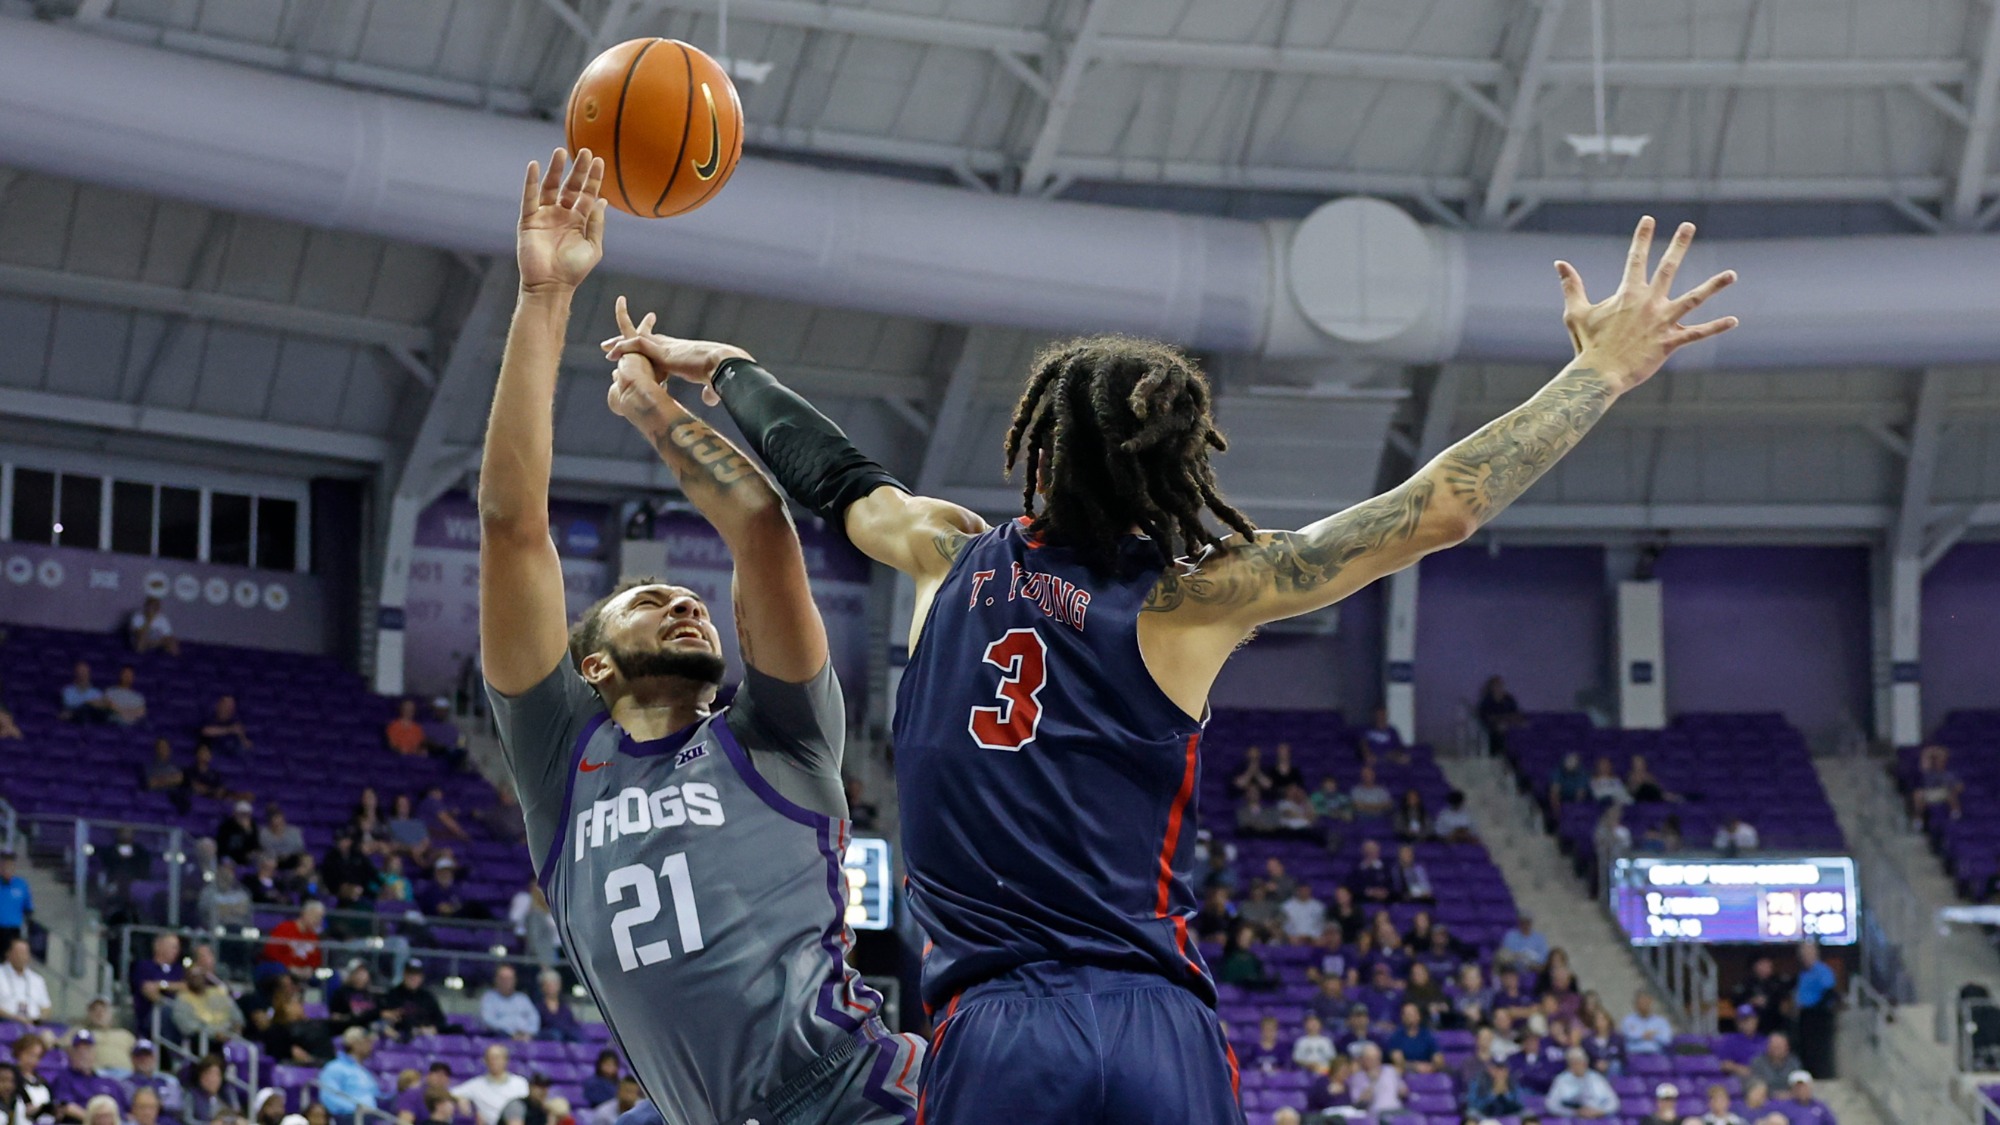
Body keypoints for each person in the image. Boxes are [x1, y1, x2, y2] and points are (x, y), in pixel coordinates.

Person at [615, 214, 1736, 1123]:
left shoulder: (945, 555)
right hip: (1159, 1026)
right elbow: (1436, 509)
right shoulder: (1194, 602)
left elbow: (839, 480)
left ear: (1034, 448)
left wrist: (730, 375)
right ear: (1172, 470)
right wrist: (1599, 371)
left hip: (999, 1030)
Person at [481, 150, 920, 1125]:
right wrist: (544, 297)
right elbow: (514, 527)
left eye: (687, 600)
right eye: (647, 599)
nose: (684, 602)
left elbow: (760, 529)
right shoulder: (562, 758)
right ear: (590, 665)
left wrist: (656, 411)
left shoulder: (779, 731)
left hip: (858, 1098)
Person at [50, 1033, 125, 1124]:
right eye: (78, 1050)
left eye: (87, 1049)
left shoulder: (108, 1082)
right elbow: (66, 1106)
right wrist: (95, 1120)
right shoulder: (64, 1078)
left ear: (94, 1053)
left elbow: (126, 1111)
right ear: (71, 1053)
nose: (83, 1054)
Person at [1793, 941, 1838, 1078]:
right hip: (1805, 1016)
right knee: (1805, 1048)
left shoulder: (1822, 971)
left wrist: (1814, 1007)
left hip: (1818, 1016)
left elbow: (1829, 993)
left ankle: (1821, 1075)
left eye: (1808, 953)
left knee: (1818, 1049)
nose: (1806, 956)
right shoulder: (1803, 974)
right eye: (1803, 954)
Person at [452, 1047, 528, 1125]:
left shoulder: (520, 1083)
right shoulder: (476, 1085)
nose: (493, 1062)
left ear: (505, 1060)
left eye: (497, 1058)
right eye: (490, 1058)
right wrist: (461, 1098)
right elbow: (450, 1093)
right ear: (485, 1061)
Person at [317, 1029, 379, 1119]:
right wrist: (357, 1109)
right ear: (354, 1044)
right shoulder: (335, 1068)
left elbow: (376, 1096)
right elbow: (329, 1097)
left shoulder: (364, 1071)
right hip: (348, 1118)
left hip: (370, 1116)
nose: (371, 1046)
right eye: (367, 1042)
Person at [129, 934, 182, 1038]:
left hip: (177, 1016)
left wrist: (160, 985)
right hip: (150, 1017)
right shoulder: (144, 966)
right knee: (167, 1012)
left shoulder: (178, 969)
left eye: (177, 947)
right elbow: (147, 989)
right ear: (158, 946)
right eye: (173, 946)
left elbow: (186, 987)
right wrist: (166, 1003)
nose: (176, 950)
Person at [381, 960, 448, 1040]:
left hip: (426, 1039)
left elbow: (440, 1021)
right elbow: (384, 1017)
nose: (413, 978)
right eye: (410, 974)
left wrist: (431, 1029)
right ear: (404, 974)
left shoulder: (428, 997)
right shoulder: (393, 995)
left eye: (416, 975)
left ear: (421, 977)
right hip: (399, 1038)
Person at [258, 901, 323, 982]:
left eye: (320, 917)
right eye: (316, 916)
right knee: (279, 970)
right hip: (281, 969)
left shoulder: (313, 937)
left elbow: (316, 959)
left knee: (327, 977)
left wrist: (309, 969)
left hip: (303, 973)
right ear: (305, 913)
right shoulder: (284, 928)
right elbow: (271, 952)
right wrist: (289, 967)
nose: (318, 921)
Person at [1544, 1047, 1618, 1118]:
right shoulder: (1561, 1080)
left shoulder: (1597, 1079)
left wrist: (1600, 1112)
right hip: (1571, 1118)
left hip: (1598, 1117)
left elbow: (1614, 1103)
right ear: (1569, 1064)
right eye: (1573, 1062)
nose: (1577, 1065)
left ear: (1586, 1063)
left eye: (1580, 1062)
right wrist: (1573, 1112)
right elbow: (1550, 1105)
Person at [74, 1002, 134, 1078]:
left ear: (111, 1015)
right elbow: (58, 1043)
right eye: (94, 1011)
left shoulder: (125, 1034)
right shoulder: (82, 1033)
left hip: (126, 1075)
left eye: (104, 1010)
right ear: (89, 1015)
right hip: (98, 1075)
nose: (99, 1014)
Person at [1345, 1042, 1405, 1116]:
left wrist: (1402, 1090)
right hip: (1377, 1113)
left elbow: (1403, 1092)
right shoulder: (1357, 1078)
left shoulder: (1390, 1070)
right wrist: (1373, 1082)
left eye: (1377, 1058)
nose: (1375, 1062)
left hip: (1397, 1109)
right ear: (1362, 1060)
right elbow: (1359, 1103)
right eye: (1371, 1059)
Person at [123, 1041, 181, 1117]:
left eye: (147, 1055)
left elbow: (176, 1106)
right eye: (139, 1056)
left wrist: (150, 1103)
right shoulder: (125, 1084)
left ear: (154, 1058)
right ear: (133, 1059)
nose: (144, 1059)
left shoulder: (167, 1081)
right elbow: (128, 1106)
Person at [0, 938, 50, 1025]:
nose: (22, 956)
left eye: (25, 953)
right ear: (8, 953)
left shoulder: (37, 979)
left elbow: (46, 1008)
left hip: (33, 1026)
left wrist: (37, 1020)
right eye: (18, 952)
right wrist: (15, 1018)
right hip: (5, 1024)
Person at [1910, 743, 1963, 821]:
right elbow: (1925, 754)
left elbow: (1960, 786)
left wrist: (1953, 788)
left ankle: (1955, 813)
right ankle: (1918, 818)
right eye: (1936, 759)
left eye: (1940, 759)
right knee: (1918, 794)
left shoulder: (1949, 774)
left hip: (1943, 792)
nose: (1938, 761)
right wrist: (1934, 750)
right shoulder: (1927, 771)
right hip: (1929, 792)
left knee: (1950, 793)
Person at [1382, 1002, 1437, 1073]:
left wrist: (1433, 1066)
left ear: (1419, 1016)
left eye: (1413, 1014)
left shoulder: (1427, 1035)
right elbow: (1398, 1061)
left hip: (1428, 1071)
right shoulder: (1396, 1036)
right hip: (1406, 1073)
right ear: (1402, 1017)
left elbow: (1438, 1056)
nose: (1410, 1017)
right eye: (1407, 1014)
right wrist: (1415, 1067)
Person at [1464, 1053, 1524, 1117]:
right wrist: (1492, 1094)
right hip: (1484, 1116)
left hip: (1508, 1115)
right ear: (1490, 1069)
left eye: (1502, 1069)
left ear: (1507, 1071)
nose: (1499, 1073)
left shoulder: (1512, 1082)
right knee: (1471, 1113)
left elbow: (1520, 1104)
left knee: (1528, 1114)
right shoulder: (1479, 1081)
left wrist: (1507, 1094)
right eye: (1496, 1069)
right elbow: (1472, 1105)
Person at [530, 970, 581, 1043]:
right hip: (548, 1040)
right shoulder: (538, 1007)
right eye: (548, 985)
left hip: (567, 1037)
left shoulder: (565, 1008)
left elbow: (572, 1024)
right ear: (542, 987)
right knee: (555, 1034)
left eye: (554, 984)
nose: (552, 987)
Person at [181, 1059, 237, 1125]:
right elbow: (186, 1120)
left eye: (217, 1075)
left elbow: (232, 1116)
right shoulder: (191, 1095)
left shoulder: (224, 1097)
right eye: (209, 1074)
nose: (213, 1079)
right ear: (201, 1076)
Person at [1476, 676, 1521, 752]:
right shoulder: (1486, 702)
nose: (1499, 688)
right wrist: (1496, 725)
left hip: (1509, 728)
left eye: (1500, 685)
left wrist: (1509, 723)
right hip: (1492, 731)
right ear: (1491, 688)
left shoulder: (1509, 700)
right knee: (1497, 736)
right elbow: (1484, 717)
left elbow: (1515, 714)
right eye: (1496, 685)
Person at [1622, 991, 1673, 1055]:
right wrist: (1643, 1035)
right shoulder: (1628, 1020)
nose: (1643, 1005)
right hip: (1634, 1055)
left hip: (1656, 1055)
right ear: (1635, 1004)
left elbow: (1667, 1039)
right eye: (1640, 1002)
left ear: (1650, 1002)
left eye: (1645, 1002)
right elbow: (1628, 1036)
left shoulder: (1661, 1021)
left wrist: (1654, 1036)